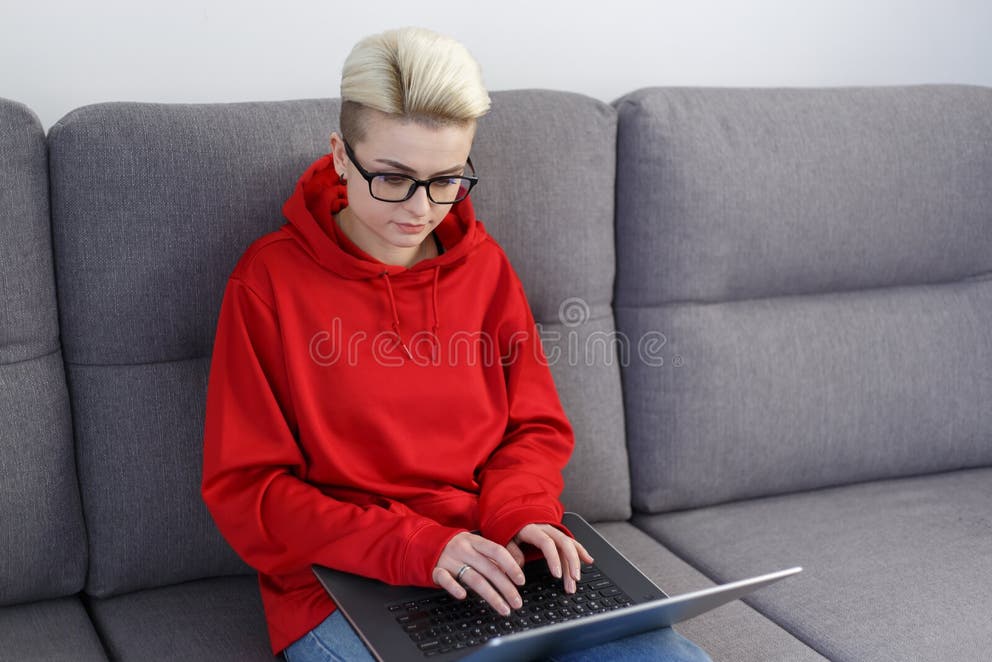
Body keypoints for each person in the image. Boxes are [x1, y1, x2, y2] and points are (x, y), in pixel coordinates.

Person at [201, 26, 712, 662]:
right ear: (339, 154)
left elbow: (534, 426)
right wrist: (417, 546)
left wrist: (520, 510)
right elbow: (250, 491)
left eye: (446, 178)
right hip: (341, 579)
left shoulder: (484, 266)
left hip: (495, 556)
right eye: (392, 178)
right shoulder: (268, 282)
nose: (420, 209)